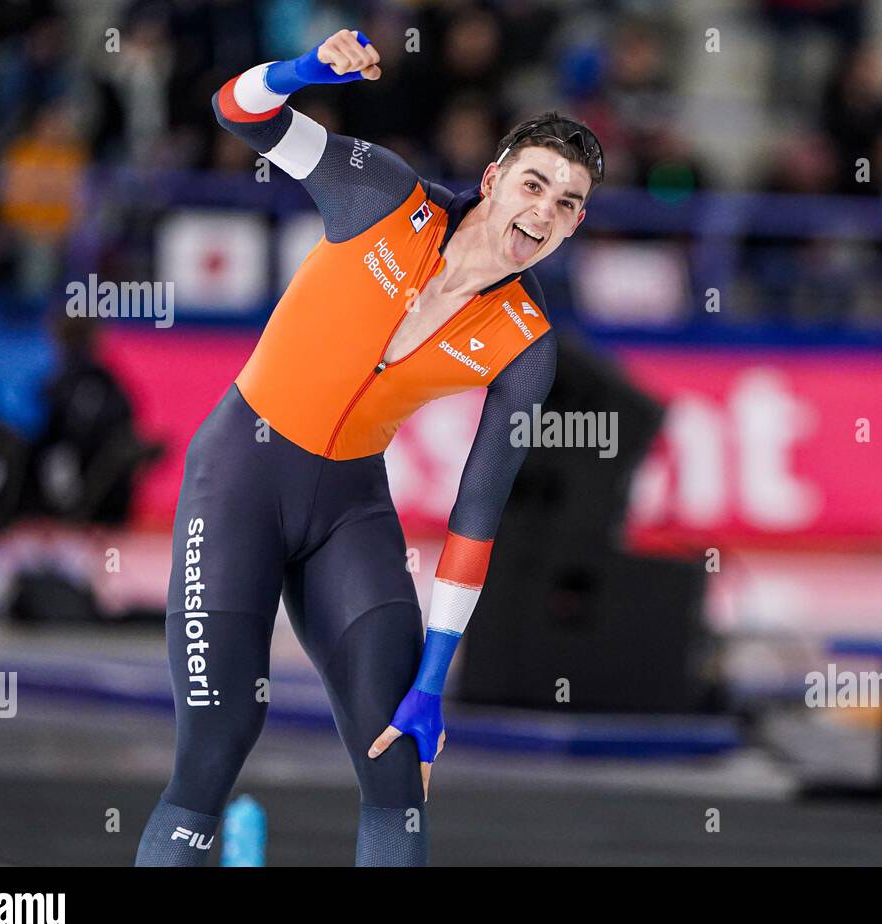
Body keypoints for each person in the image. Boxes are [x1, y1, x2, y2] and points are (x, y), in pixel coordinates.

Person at [134, 28, 603, 867]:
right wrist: (306, 71)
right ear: (493, 180)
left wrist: (433, 681)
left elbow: (477, 514)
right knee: (217, 738)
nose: (545, 212)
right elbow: (237, 110)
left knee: (398, 760)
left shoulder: (527, 344)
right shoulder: (384, 194)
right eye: (535, 184)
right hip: (240, 473)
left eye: (569, 204)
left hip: (347, 510)